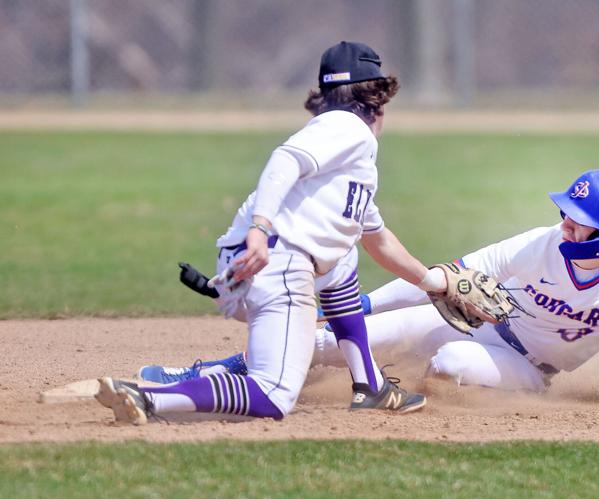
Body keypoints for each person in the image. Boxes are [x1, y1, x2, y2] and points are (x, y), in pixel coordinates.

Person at [140, 170, 599, 407]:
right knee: (335, 341)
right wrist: (352, 310)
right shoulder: (540, 244)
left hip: (524, 368)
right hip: (478, 324)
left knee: (451, 363)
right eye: (565, 210)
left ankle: (402, 395)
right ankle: (209, 374)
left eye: (577, 219)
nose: (564, 222)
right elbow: (444, 282)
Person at [95, 41, 458, 426]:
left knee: (342, 256)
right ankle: (149, 397)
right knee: (273, 394)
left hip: (260, 262)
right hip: (272, 260)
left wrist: (436, 284)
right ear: (377, 99)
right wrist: (260, 228)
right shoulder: (349, 128)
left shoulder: (343, 165)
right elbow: (286, 159)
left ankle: (370, 384)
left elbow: (378, 240)